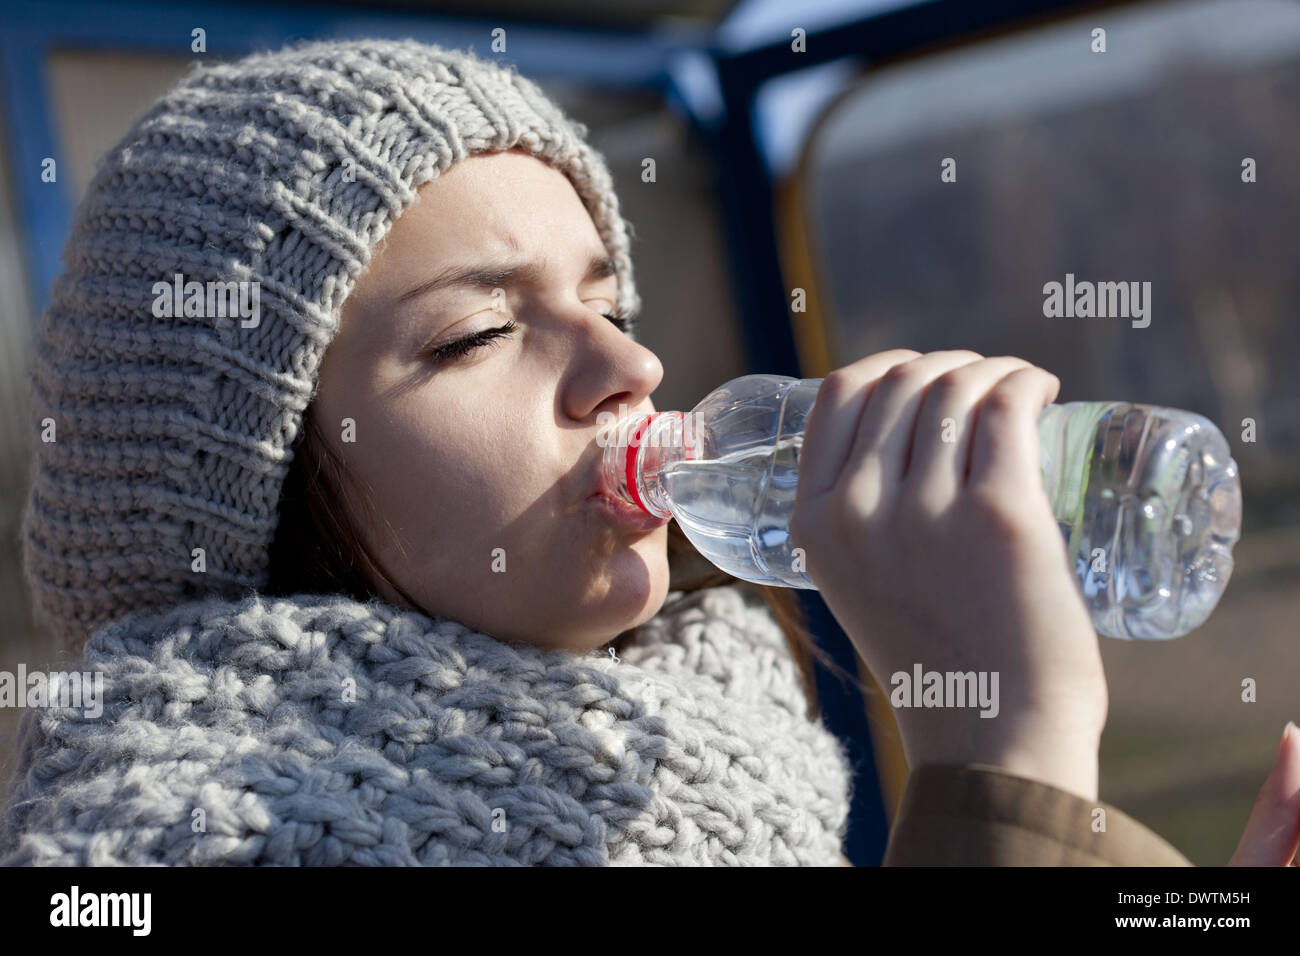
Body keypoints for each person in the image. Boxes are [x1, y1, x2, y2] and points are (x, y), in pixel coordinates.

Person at [0, 38, 1293, 866]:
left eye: (608, 305)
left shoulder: (716, 753)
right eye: (479, 332)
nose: (630, 369)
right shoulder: (172, 844)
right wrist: (1006, 759)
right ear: (253, 486)